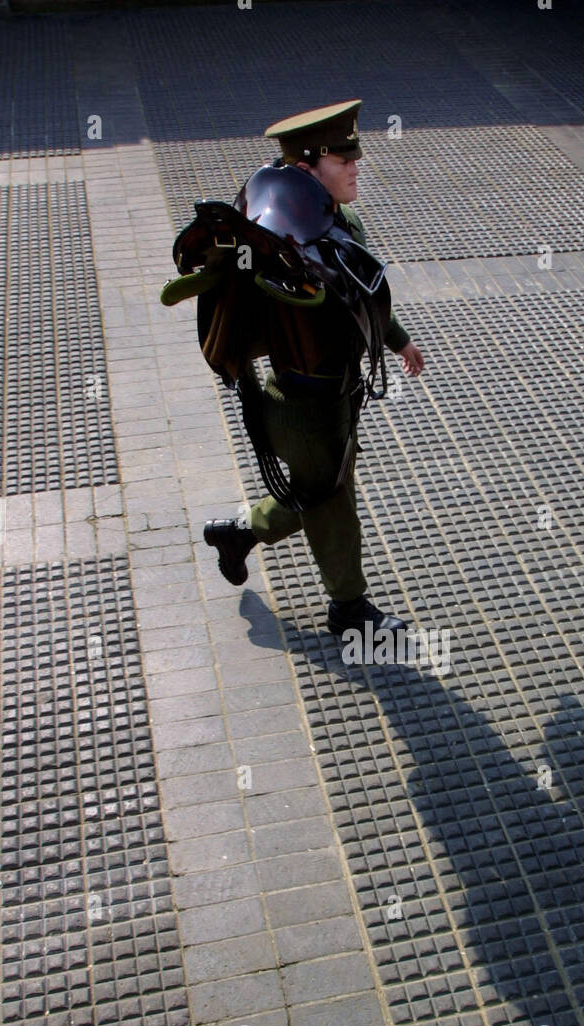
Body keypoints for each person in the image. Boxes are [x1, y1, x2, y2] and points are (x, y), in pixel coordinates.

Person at [203, 100, 425, 636]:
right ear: (305, 171)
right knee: (332, 507)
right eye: (341, 160)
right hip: (305, 404)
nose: (355, 167)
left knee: (316, 492)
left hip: (340, 395)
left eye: (355, 157)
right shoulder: (278, 249)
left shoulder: (342, 221)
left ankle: (238, 533)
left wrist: (397, 340)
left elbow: (362, 296)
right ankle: (349, 611)